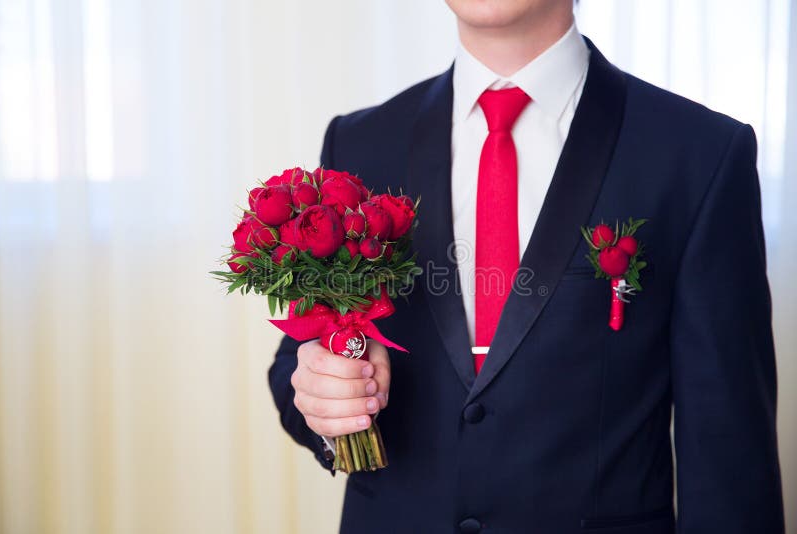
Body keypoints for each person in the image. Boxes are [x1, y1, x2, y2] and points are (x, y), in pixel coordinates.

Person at [268, 1, 785, 532]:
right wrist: (323, 399)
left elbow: (728, 449)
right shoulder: (360, 143)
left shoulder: (698, 154)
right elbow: (297, 362)